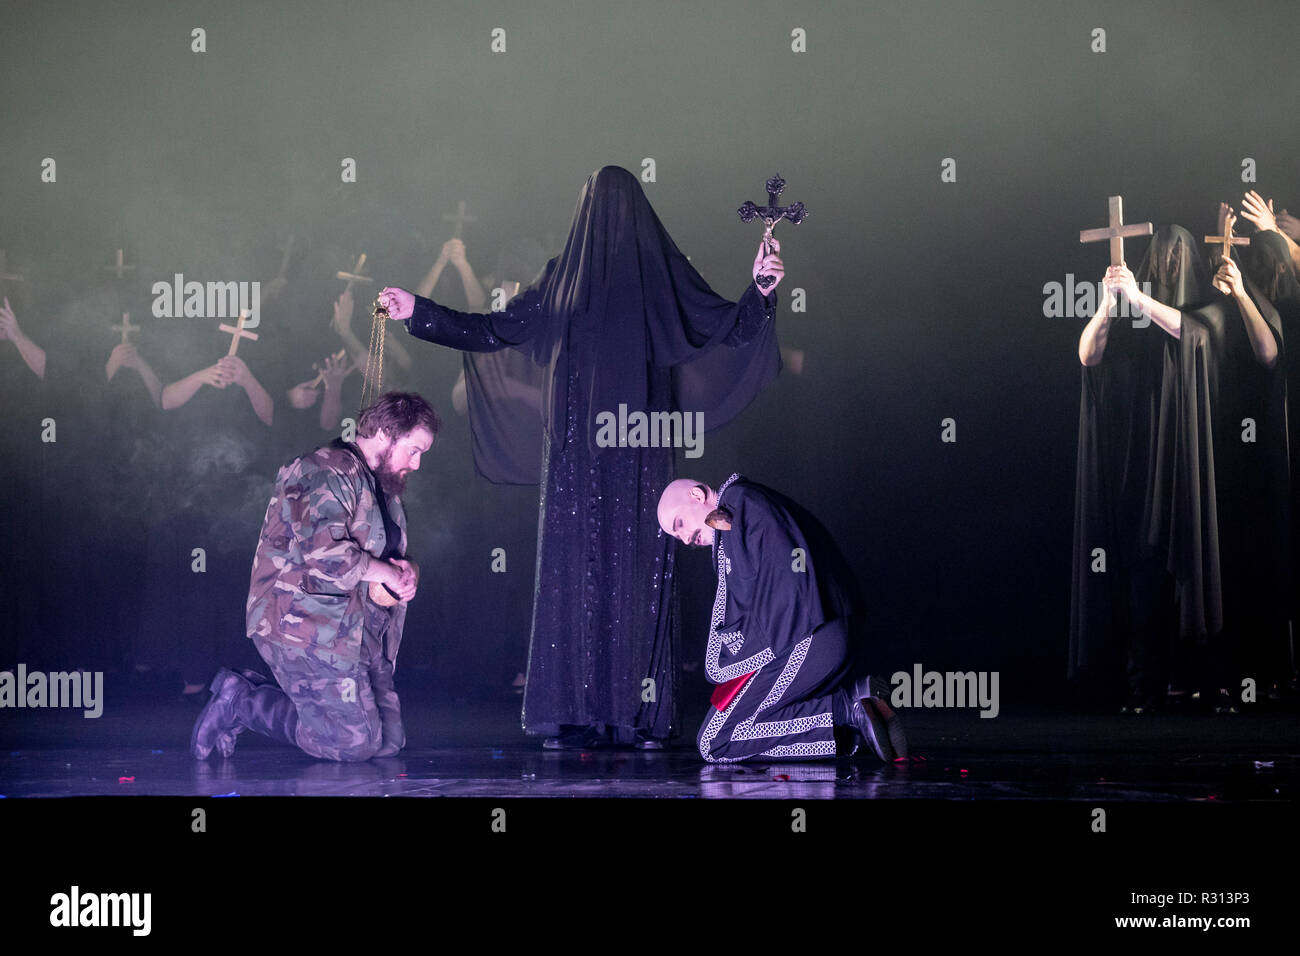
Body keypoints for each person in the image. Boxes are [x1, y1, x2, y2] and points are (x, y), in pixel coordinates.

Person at [378, 165, 785, 749]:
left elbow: (725, 326)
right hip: (575, 457)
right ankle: (571, 711)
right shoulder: (560, 283)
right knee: (576, 570)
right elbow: (495, 329)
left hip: (642, 449)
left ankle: (637, 715)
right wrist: (419, 310)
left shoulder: (661, 280)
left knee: (639, 570)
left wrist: (762, 289)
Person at [190, 391, 438, 761]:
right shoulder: (324, 471)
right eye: (414, 450)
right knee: (353, 744)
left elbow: (388, 556)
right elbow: (327, 556)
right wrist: (387, 571)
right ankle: (241, 701)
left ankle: (278, 702)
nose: (416, 464)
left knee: (388, 743)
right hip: (304, 625)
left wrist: (408, 572)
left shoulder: (383, 487)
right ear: (385, 433)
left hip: (358, 631)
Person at [656, 474, 907, 763]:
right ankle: (852, 713)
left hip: (810, 635)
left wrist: (738, 649)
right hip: (822, 630)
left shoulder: (739, 502)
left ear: (698, 496)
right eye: (678, 537)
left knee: (715, 741)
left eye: (680, 524)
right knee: (716, 734)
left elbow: (778, 588)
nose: (686, 538)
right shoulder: (745, 506)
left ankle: (847, 708)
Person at [1070, 226, 1211, 713]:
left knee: (1188, 580)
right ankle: (1143, 688)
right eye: (1164, 258)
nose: (1171, 265)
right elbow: (1088, 354)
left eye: (1179, 258)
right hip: (1139, 469)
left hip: (1190, 472)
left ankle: (1191, 682)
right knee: (1142, 581)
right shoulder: (1131, 321)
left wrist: (1138, 297)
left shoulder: (1204, 310)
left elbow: (1193, 334)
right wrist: (1112, 301)